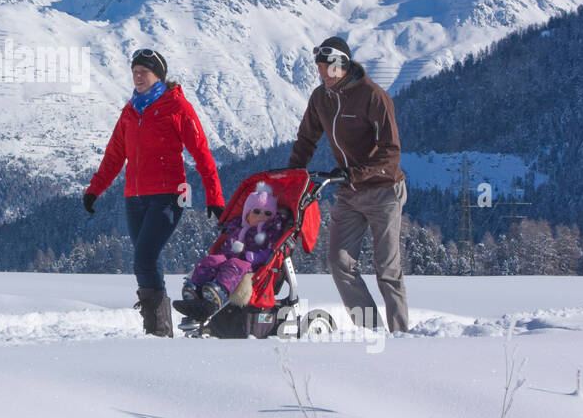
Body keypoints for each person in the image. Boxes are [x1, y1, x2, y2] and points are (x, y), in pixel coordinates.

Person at [83, 48, 224, 337]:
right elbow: (114, 156)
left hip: (170, 196)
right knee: (148, 259)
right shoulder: (130, 111)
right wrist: (95, 189)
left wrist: (215, 196)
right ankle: (158, 333)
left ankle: (157, 331)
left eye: (143, 71)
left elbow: (202, 153)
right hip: (134, 198)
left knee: (144, 258)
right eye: (134, 71)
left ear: (157, 75)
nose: (137, 76)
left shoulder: (177, 107)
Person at [287, 36, 408, 332]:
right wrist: (291, 178)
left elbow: (391, 154)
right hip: (349, 193)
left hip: (384, 191)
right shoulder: (320, 98)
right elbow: (306, 140)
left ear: (343, 65)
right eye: (319, 69)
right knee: (340, 264)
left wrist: (355, 174)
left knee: (387, 269)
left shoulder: (373, 97)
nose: (323, 75)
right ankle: (372, 331)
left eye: (328, 69)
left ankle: (402, 336)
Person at [174, 181, 289, 323]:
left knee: (235, 264)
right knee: (211, 261)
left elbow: (271, 252)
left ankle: (217, 293)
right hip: (231, 258)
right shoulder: (237, 228)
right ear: (247, 214)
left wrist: (255, 257)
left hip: (252, 266)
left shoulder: (271, 232)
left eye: (267, 213)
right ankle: (195, 289)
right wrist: (227, 252)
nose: (262, 216)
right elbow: (226, 246)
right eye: (257, 211)